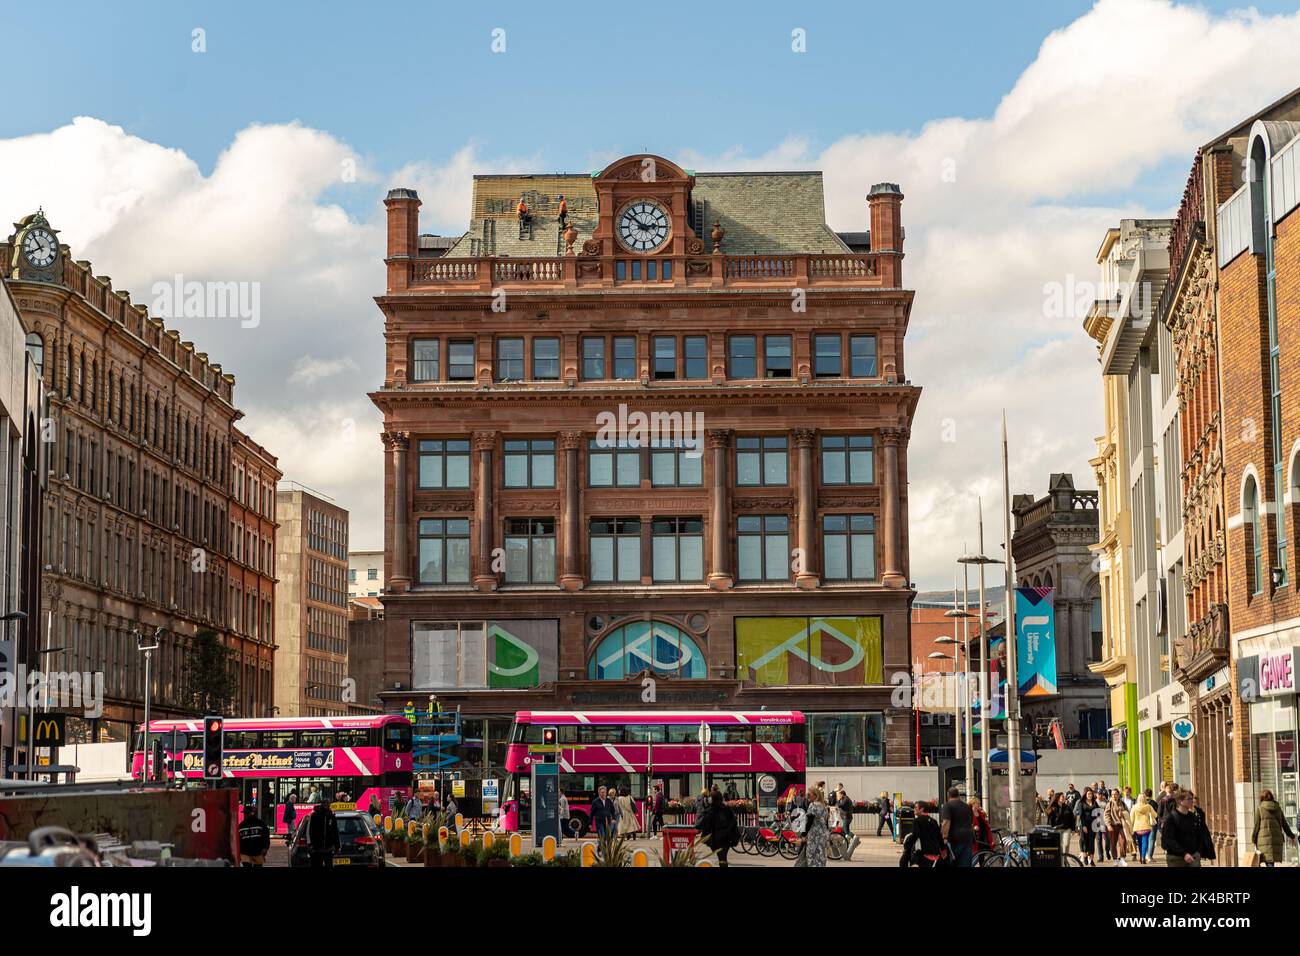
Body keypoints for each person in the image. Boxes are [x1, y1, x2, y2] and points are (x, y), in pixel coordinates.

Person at [1160, 789, 1215, 867]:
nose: (1192, 801)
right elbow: (1169, 839)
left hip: (1193, 857)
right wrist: (1184, 854)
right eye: (1189, 799)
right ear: (1180, 801)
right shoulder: (1171, 818)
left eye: (1192, 798)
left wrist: (1198, 851)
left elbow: (1199, 835)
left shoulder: (1193, 817)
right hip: (1176, 858)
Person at [1251, 789, 1297, 867]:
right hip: (1276, 839)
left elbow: (1256, 826)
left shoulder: (1260, 809)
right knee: (1270, 862)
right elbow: (1285, 824)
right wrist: (1292, 836)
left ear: (1261, 798)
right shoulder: (1278, 808)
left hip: (1264, 840)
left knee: (1268, 862)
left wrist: (1253, 839)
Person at [696, 790, 739, 867]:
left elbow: (702, 823)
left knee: (721, 858)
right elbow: (733, 821)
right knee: (723, 857)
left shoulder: (711, 810)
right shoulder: (727, 809)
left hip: (716, 838)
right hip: (727, 837)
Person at [900, 801, 946, 868]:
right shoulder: (933, 821)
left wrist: (907, 847)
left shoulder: (917, 821)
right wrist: (943, 849)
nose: (914, 809)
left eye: (916, 807)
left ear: (922, 809)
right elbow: (939, 836)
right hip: (935, 853)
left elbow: (915, 835)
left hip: (925, 853)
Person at [939, 787, 975, 867]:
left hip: (954, 840)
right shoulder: (967, 806)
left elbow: (946, 822)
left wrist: (944, 837)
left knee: (953, 862)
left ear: (948, 796)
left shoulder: (947, 806)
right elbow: (971, 822)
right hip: (968, 839)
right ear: (958, 795)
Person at [794, 786, 829, 867]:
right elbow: (826, 823)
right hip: (823, 836)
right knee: (820, 858)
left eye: (809, 795)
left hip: (814, 837)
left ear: (815, 795)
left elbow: (809, 822)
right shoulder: (823, 806)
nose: (807, 796)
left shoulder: (813, 805)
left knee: (812, 859)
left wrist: (803, 835)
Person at [306, 801, 340, 868]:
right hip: (317, 849)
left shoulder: (331, 816)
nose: (326, 805)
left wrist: (337, 846)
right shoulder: (314, 815)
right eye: (324, 803)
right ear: (321, 804)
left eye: (327, 803)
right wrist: (310, 844)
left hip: (329, 849)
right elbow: (309, 831)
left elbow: (335, 831)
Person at [1104, 790, 1131, 865]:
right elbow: (1106, 815)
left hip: (1122, 825)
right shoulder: (1109, 804)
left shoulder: (1122, 803)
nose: (1114, 796)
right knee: (1113, 843)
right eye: (1112, 794)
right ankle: (1115, 859)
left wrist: (1122, 813)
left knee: (1123, 841)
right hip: (1113, 826)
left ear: (1118, 795)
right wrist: (1108, 825)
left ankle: (1122, 858)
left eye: (1115, 794)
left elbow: (1127, 812)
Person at [1076, 787, 1101, 866]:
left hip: (1093, 825)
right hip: (1084, 824)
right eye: (1088, 794)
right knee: (1084, 840)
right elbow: (1081, 815)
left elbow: (1098, 812)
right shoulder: (1081, 802)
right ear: (1085, 794)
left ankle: (1091, 859)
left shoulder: (1094, 802)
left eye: (1091, 794)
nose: (1090, 795)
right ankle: (1085, 855)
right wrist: (1083, 826)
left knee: (1091, 841)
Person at [1131, 793, 1157, 864]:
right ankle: (1143, 857)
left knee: (1140, 843)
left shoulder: (1134, 807)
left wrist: (1131, 827)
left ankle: (1141, 856)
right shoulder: (1148, 806)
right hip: (1146, 827)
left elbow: (1131, 818)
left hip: (1137, 828)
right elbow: (1155, 815)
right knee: (1145, 842)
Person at [1047, 791, 1075, 856]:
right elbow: (1049, 821)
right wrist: (1050, 829)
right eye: (1062, 796)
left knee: (1066, 844)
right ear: (1058, 798)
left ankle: (1065, 859)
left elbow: (1072, 818)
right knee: (1059, 846)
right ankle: (1061, 860)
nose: (1064, 798)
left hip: (1066, 829)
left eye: (1064, 797)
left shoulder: (1067, 807)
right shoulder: (1053, 808)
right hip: (1056, 829)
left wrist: (1073, 829)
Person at [835, 784, 858, 859]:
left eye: (839, 795)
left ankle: (855, 839)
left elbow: (840, 805)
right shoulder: (845, 799)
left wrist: (838, 800)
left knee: (846, 830)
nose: (838, 796)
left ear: (842, 794)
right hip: (846, 817)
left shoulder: (846, 799)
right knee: (845, 830)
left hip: (847, 817)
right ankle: (847, 842)